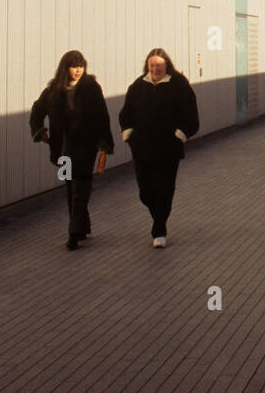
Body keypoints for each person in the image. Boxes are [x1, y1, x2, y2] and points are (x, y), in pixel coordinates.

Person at [30, 51, 114, 250]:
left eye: (81, 66)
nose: (78, 70)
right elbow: (37, 110)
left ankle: (73, 232)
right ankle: (82, 226)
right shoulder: (53, 90)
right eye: (74, 66)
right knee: (70, 187)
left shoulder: (91, 88)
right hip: (63, 149)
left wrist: (104, 142)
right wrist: (39, 131)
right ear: (65, 67)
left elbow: (102, 115)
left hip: (85, 147)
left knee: (81, 187)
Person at [119, 48, 199, 246]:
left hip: (168, 150)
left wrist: (179, 136)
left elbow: (192, 117)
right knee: (145, 191)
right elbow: (125, 113)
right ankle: (159, 218)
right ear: (147, 66)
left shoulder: (179, 84)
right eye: (152, 66)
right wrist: (129, 134)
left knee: (164, 189)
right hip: (142, 149)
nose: (155, 69)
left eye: (159, 66)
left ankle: (159, 231)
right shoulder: (137, 86)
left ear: (167, 66)